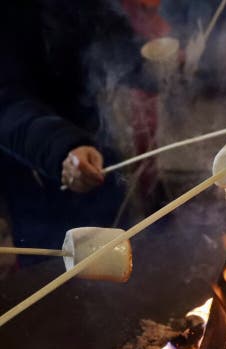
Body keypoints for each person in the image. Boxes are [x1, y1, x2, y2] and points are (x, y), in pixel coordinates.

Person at [0, 1, 145, 257]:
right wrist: (61, 147)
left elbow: (109, 36)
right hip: (37, 164)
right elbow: (5, 104)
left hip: (94, 144)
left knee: (127, 253)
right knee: (61, 265)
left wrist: (150, 65)